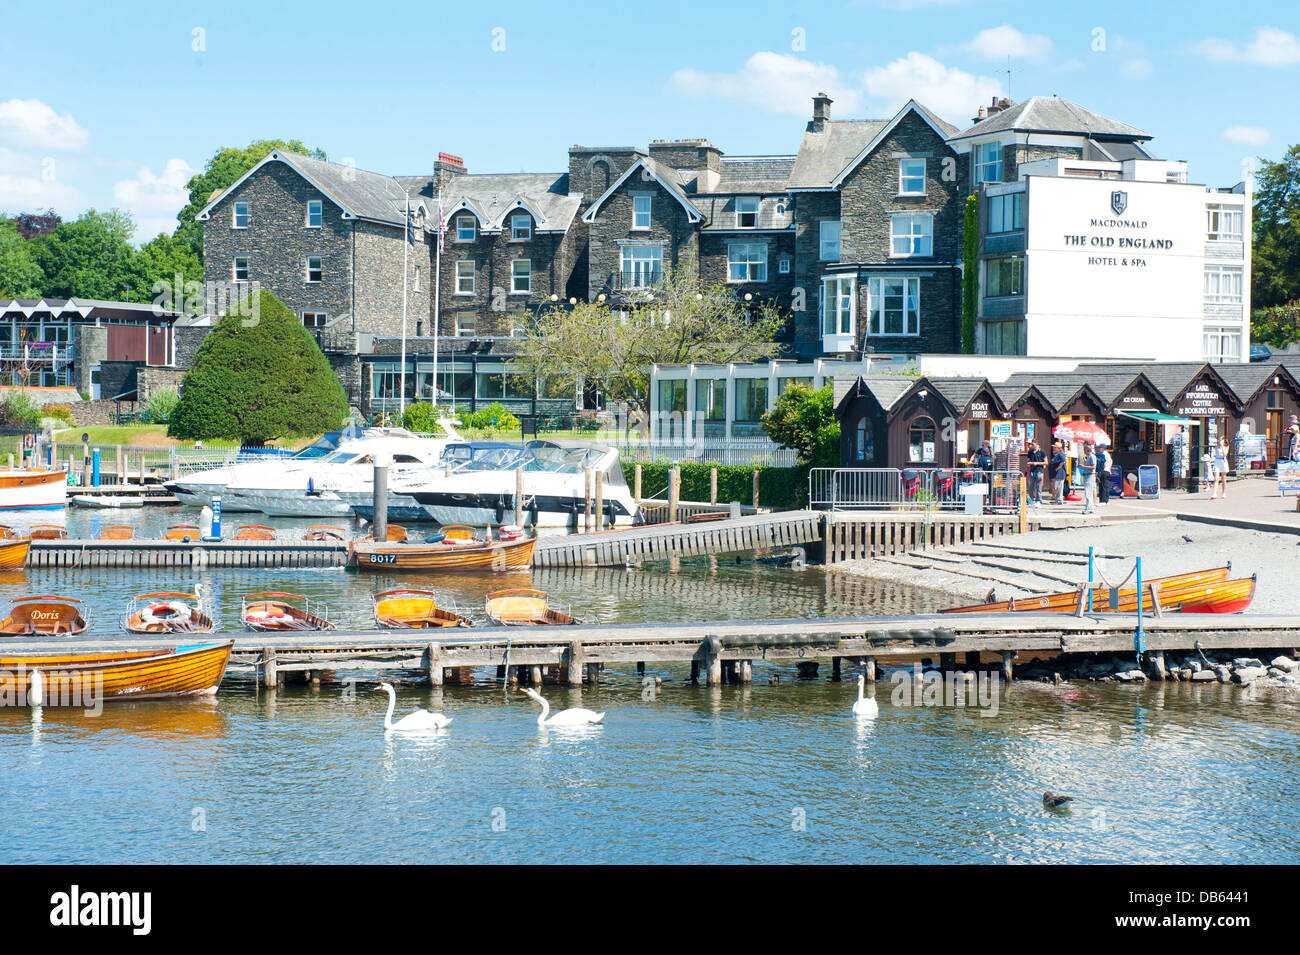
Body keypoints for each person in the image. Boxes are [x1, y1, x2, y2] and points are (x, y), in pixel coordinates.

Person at [1078, 441, 1097, 515]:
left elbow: (1093, 466)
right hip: (1088, 475)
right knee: (1089, 492)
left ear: (1087, 450)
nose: (1084, 451)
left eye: (1084, 450)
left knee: (1088, 493)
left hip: (1090, 475)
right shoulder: (1089, 457)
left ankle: (1088, 509)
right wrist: (1085, 462)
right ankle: (1091, 508)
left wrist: (1083, 466)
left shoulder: (1092, 456)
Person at [1026, 440, 1046, 507]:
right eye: (1032, 444)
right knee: (1030, 485)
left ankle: (1038, 501)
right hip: (1032, 470)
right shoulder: (1030, 452)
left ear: (1037, 444)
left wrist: (1037, 463)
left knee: (1038, 486)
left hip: (1039, 470)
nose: (1032, 446)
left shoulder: (1042, 452)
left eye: (1033, 444)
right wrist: (1029, 463)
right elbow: (1028, 460)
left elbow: (1046, 462)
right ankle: (1032, 499)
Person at [1211, 435, 1229, 499]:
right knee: (1216, 478)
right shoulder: (1216, 447)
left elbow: (1225, 454)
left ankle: (1224, 493)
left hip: (1223, 461)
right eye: (1218, 440)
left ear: (1223, 440)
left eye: (1220, 440)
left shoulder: (1226, 446)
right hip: (1217, 461)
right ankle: (1214, 493)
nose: (1219, 441)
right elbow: (1215, 454)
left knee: (1223, 478)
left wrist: (1222, 446)